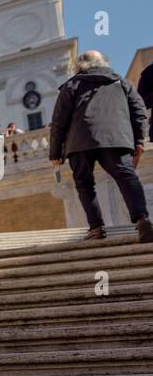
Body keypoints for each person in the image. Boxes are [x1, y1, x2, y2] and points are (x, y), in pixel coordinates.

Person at [49, 49, 152, 242]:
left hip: (80, 141)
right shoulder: (122, 83)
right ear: (104, 62)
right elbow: (138, 111)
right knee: (127, 177)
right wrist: (139, 140)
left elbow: (58, 122)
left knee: (84, 184)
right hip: (116, 138)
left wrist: (55, 152)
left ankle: (96, 228)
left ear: (79, 65)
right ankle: (142, 219)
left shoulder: (71, 85)